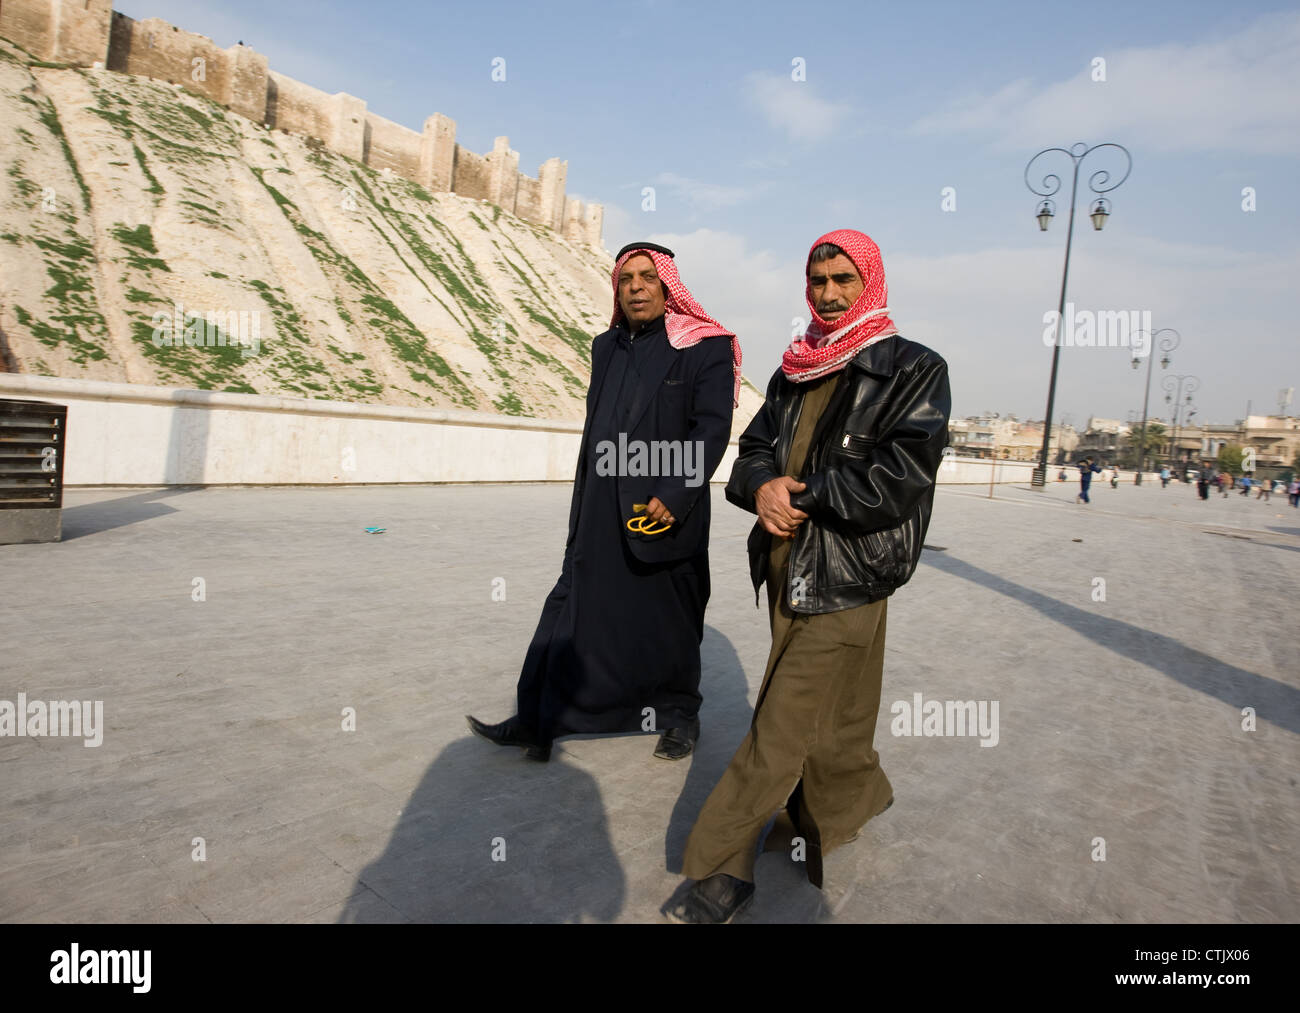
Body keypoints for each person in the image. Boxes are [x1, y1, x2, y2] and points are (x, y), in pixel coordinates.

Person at [665, 229, 950, 923]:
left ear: (870, 282)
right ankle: (846, 802)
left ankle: (719, 861)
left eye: (842, 279)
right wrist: (762, 489)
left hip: (852, 570)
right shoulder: (798, 367)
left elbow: (902, 475)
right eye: (818, 281)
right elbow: (754, 447)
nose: (827, 294)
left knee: (785, 716)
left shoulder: (913, 368)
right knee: (839, 713)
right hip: (785, 560)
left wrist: (804, 494)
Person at [467, 242, 740, 762]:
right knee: (569, 609)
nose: (635, 287)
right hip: (599, 509)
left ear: (668, 285)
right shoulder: (605, 346)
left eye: (647, 277)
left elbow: (711, 428)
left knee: (671, 620)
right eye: (625, 279)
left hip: (661, 512)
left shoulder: (706, 346)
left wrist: (676, 491)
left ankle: (679, 715)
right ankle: (538, 718)